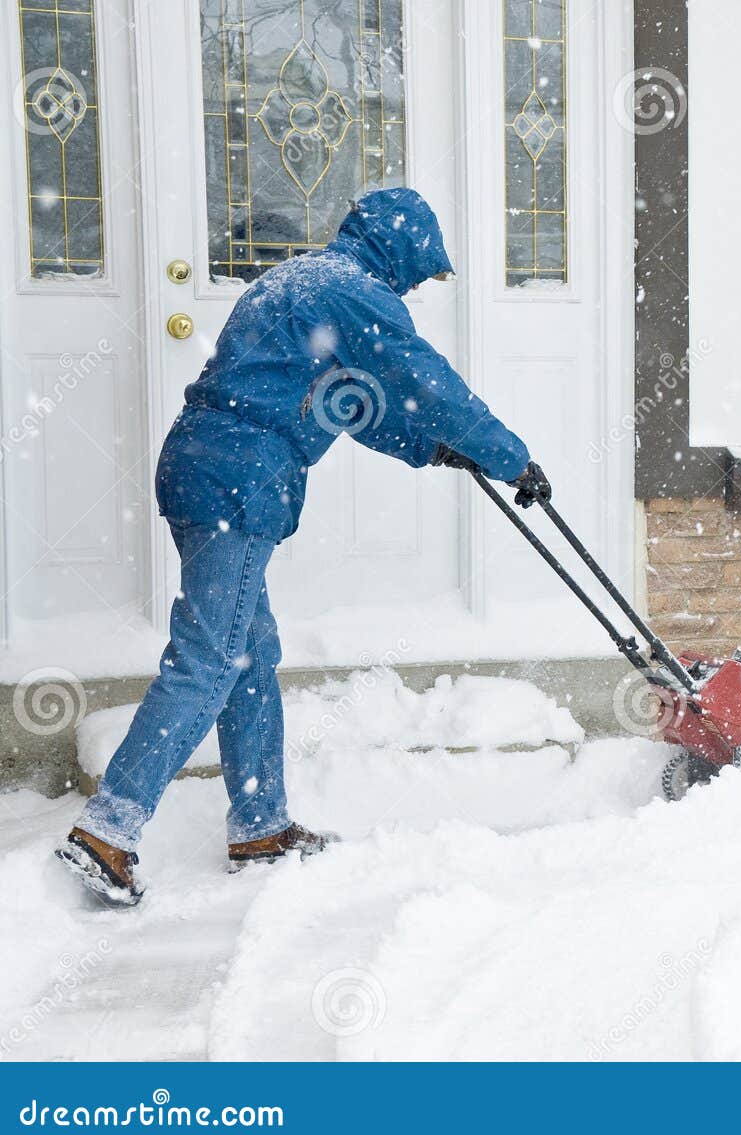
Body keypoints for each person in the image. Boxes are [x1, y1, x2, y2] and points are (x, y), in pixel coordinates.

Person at [56, 188, 548, 907]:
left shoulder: (299, 282)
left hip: (204, 464)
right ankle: (107, 830)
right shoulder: (352, 290)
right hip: (237, 479)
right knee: (211, 657)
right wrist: (509, 456)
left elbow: (353, 403)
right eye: (419, 269)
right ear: (399, 247)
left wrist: (434, 451)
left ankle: (259, 825)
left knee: (248, 652)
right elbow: (426, 381)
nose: (415, 285)